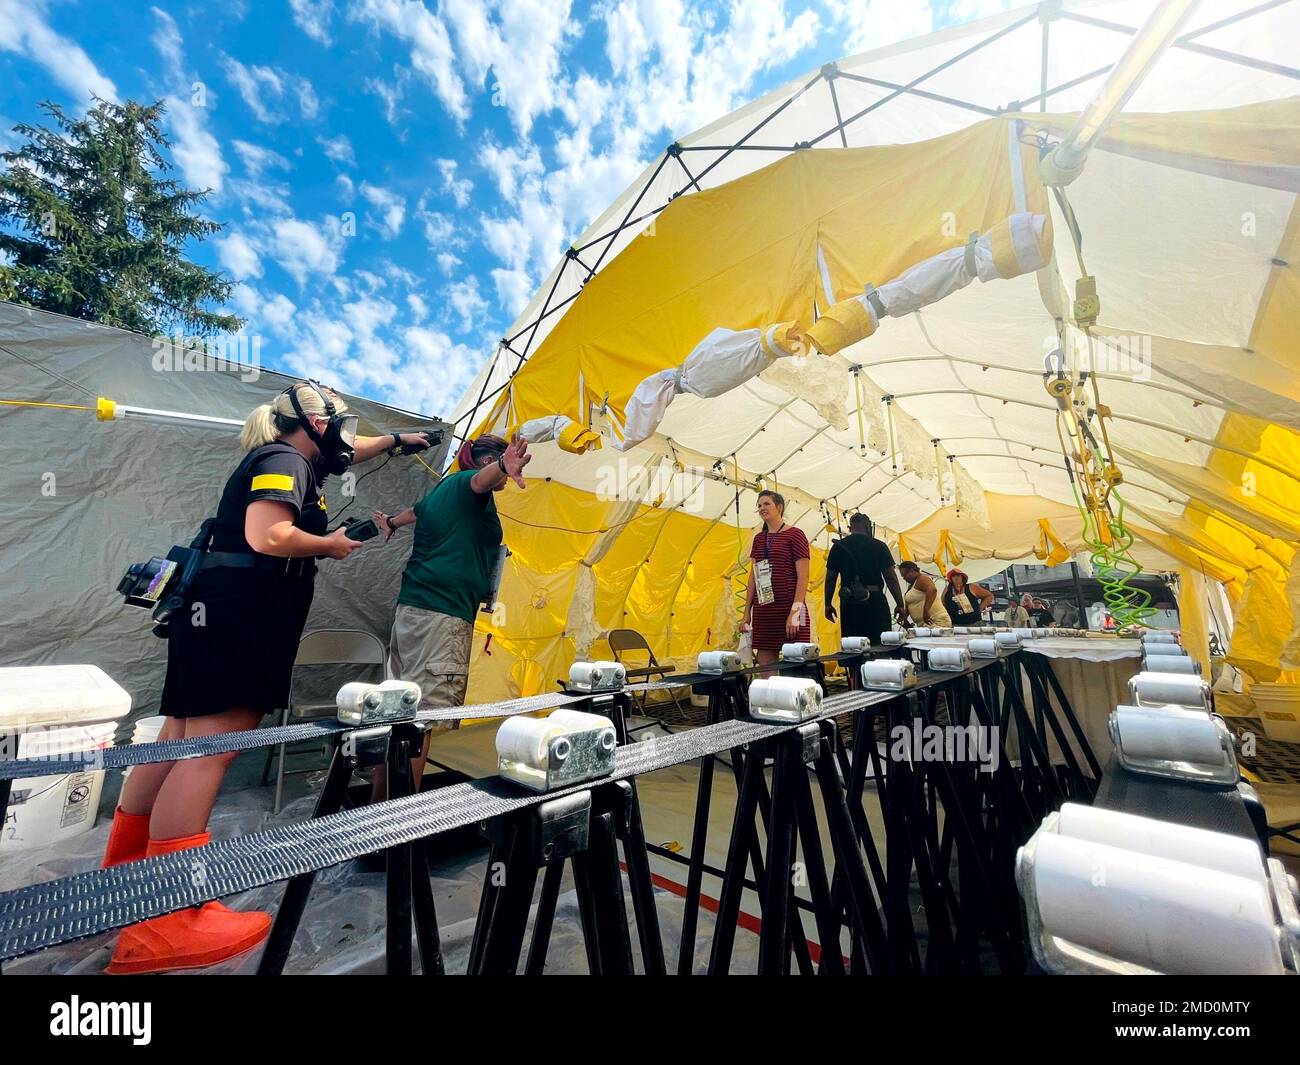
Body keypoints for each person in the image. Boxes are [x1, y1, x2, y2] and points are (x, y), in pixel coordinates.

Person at [100, 380, 432, 974]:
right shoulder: (284, 460)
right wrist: (328, 546)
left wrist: (403, 440)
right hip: (240, 619)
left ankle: (123, 885)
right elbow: (269, 535)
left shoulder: (291, 455)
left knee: (177, 739)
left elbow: (351, 452)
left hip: (211, 616)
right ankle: (165, 922)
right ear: (314, 424)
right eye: (340, 425)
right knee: (210, 748)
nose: (349, 438)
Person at [372, 433, 529, 796]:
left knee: (399, 714)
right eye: (499, 462)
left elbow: (416, 511)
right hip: (441, 620)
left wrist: (392, 523)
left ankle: (378, 805)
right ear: (488, 461)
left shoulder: (441, 492)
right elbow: (480, 480)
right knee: (420, 722)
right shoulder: (467, 484)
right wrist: (504, 466)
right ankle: (399, 822)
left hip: (412, 613)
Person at [742, 491, 810, 671]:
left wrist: (795, 613)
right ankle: (770, 698)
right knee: (765, 664)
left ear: (779, 507)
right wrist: (747, 613)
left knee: (798, 663)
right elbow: (753, 577)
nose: (762, 508)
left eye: (766, 504)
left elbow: (804, 576)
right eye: (759, 505)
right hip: (765, 609)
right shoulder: (758, 539)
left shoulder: (796, 534)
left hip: (792, 607)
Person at [824, 513, 907, 642]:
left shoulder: (839, 547)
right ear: (868, 526)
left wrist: (828, 604)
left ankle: (856, 663)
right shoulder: (879, 546)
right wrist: (900, 604)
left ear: (850, 528)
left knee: (853, 646)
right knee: (880, 645)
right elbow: (891, 578)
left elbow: (830, 579)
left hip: (850, 604)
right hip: (875, 603)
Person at [897, 561, 951, 627]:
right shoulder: (911, 586)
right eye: (902, 576)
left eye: (905, 575)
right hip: (924, 624)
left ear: (912, 571)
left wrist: (926, 611)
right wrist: (903, 618)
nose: (904, 578)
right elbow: (910, 605)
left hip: (934, 621)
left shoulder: (922, 578)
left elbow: (932, 590)